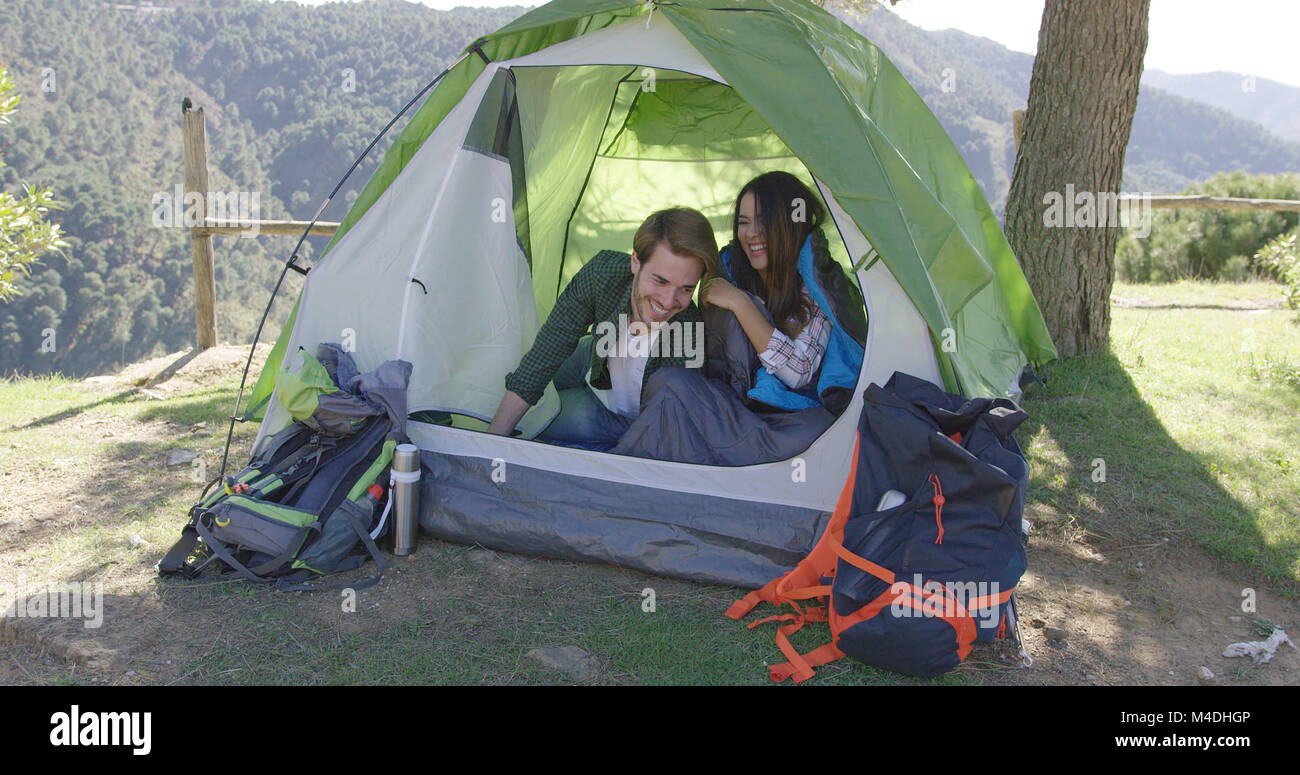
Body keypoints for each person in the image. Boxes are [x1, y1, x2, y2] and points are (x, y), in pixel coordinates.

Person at [610, 172, 866, 465]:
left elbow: (798, 372)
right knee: (670, 383)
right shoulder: (728, 272)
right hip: (733, 411)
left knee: (818, 429)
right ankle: (638, 469)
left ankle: (692, 457)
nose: (751, 234)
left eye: (763, 221)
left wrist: (741, 303)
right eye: (743, 223)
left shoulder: (818, 289)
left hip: (783, 422)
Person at [486, 207, 720, 447]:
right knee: (501, 396)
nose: (669, 302)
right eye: (660, 281)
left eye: (686, 289)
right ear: (635, 262)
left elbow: (668, 432)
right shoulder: (604, 274)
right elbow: (547, 350)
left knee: (533, 426)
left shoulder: (688, 336)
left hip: (614, 411)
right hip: (595, 356)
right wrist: (490, 443)